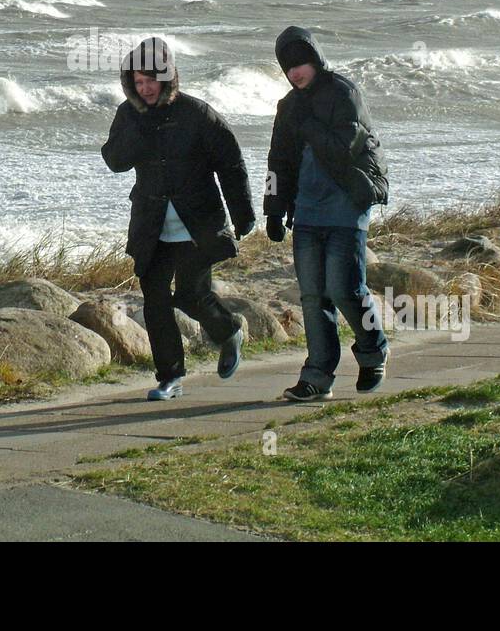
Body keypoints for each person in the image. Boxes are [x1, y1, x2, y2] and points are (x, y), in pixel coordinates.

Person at [101, 37, 256, 401]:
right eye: (137, 83)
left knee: (189, 295)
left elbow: (231, 164)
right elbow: (114, 160)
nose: (145, 88)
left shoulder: (197, 114)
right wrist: (137, 127)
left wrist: (243, 213)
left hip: (196, 224)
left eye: (150, 80)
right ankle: (170, 378)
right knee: (154, 300)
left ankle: (228, 330)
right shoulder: (128, 115)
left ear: (167, 77)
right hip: (151, 225)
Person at [263, 26, 390, 399]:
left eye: (301, 62)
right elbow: (278, 161)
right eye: (288, 67)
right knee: (313, 296)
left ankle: (373, 350)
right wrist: (274, 210)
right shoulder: (288, 107)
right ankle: (316, 376)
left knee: (345, 289)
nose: (296, 72)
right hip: (306, 212)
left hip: (346, 208)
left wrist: (308, 124)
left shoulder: (343, 93)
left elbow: (341, 148)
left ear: (315, 59)